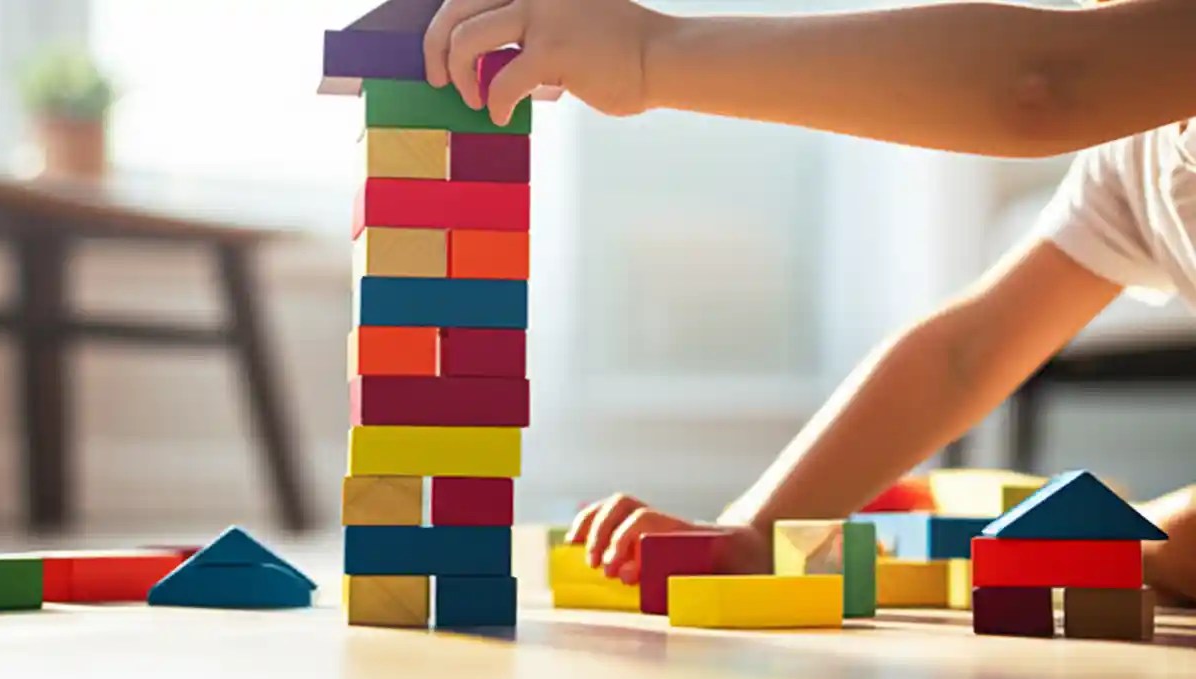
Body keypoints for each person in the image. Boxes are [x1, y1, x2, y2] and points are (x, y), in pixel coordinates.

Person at [421, 0, 1196, 606]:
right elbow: (967, 353)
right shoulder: (1142, 152)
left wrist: (647, 55)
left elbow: (1043, 86)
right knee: (1133, 542)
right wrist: (755, 530)